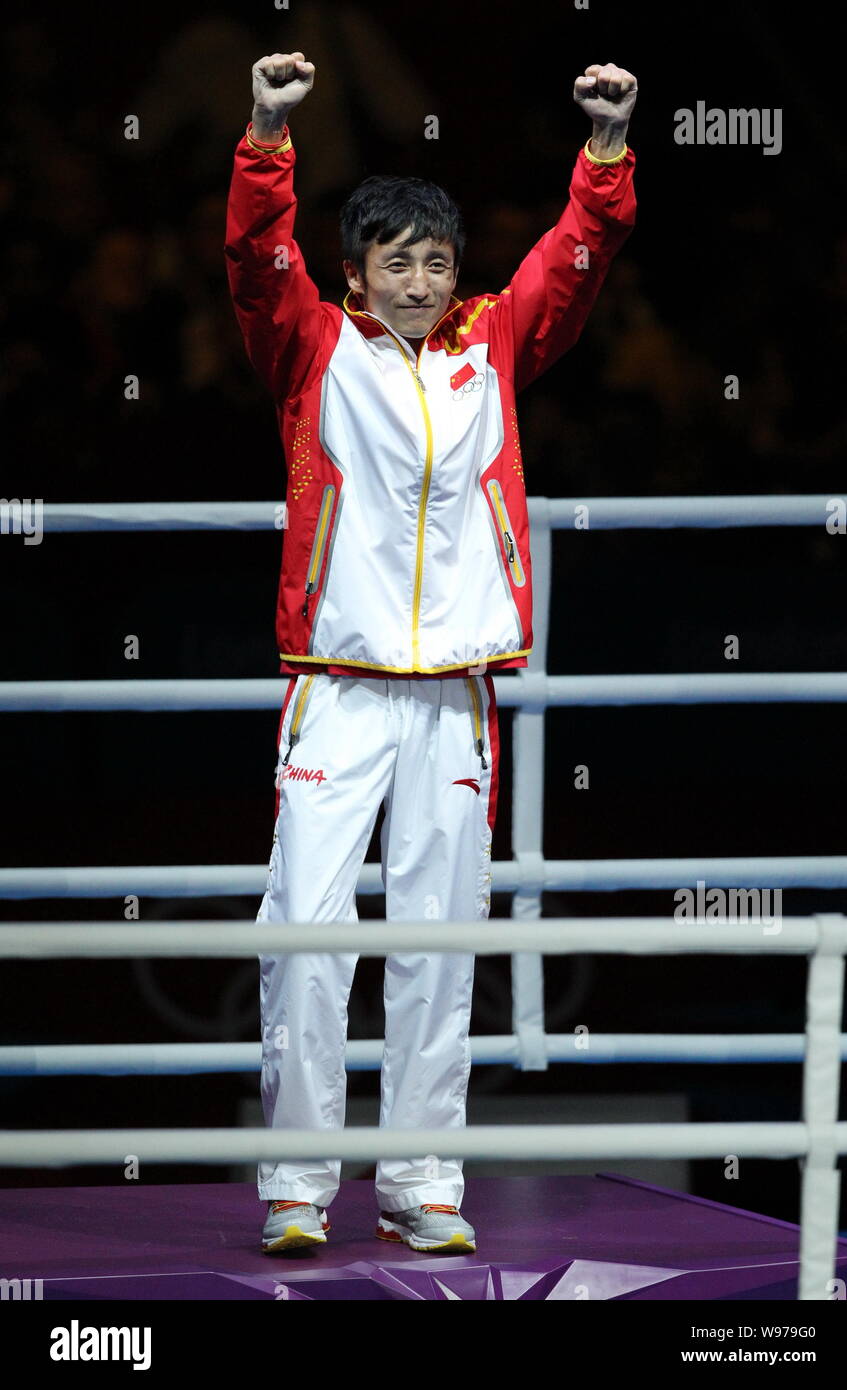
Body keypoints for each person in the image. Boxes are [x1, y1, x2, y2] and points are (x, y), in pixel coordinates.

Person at [224, 50, 637, 1256]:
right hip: (336, 693)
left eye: (436, 258)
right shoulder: (311, 344)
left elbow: (580, 251)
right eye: (394, 259)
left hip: (454, 696)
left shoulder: (492, 343)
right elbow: (255, 257)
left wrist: (604, 148)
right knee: (303, 934)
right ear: (354, 272)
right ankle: (297, 1186)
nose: (418, 278)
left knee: (435, 944)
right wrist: (264, 134)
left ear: (458, 272)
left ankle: (419, 1181)